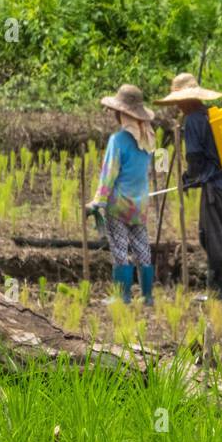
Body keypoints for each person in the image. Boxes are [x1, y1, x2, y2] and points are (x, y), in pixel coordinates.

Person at [156, 72, 222, 298]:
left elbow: (194, 156)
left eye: (178, 102)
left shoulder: (194, 119)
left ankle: (217, 291)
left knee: (212, 236)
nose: (177, 106)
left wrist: (189, 179)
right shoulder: (210, 115)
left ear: (185, 100)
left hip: (215, 187)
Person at [85, 84, 156, 306]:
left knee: (119, 247)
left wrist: (98, 201)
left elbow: (109, 174)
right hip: (140, 204)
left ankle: (122, 296)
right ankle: (147, 296)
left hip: (119, 205)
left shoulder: (118, 140)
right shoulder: (148, 140)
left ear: (121, 114)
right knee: (142, 247)